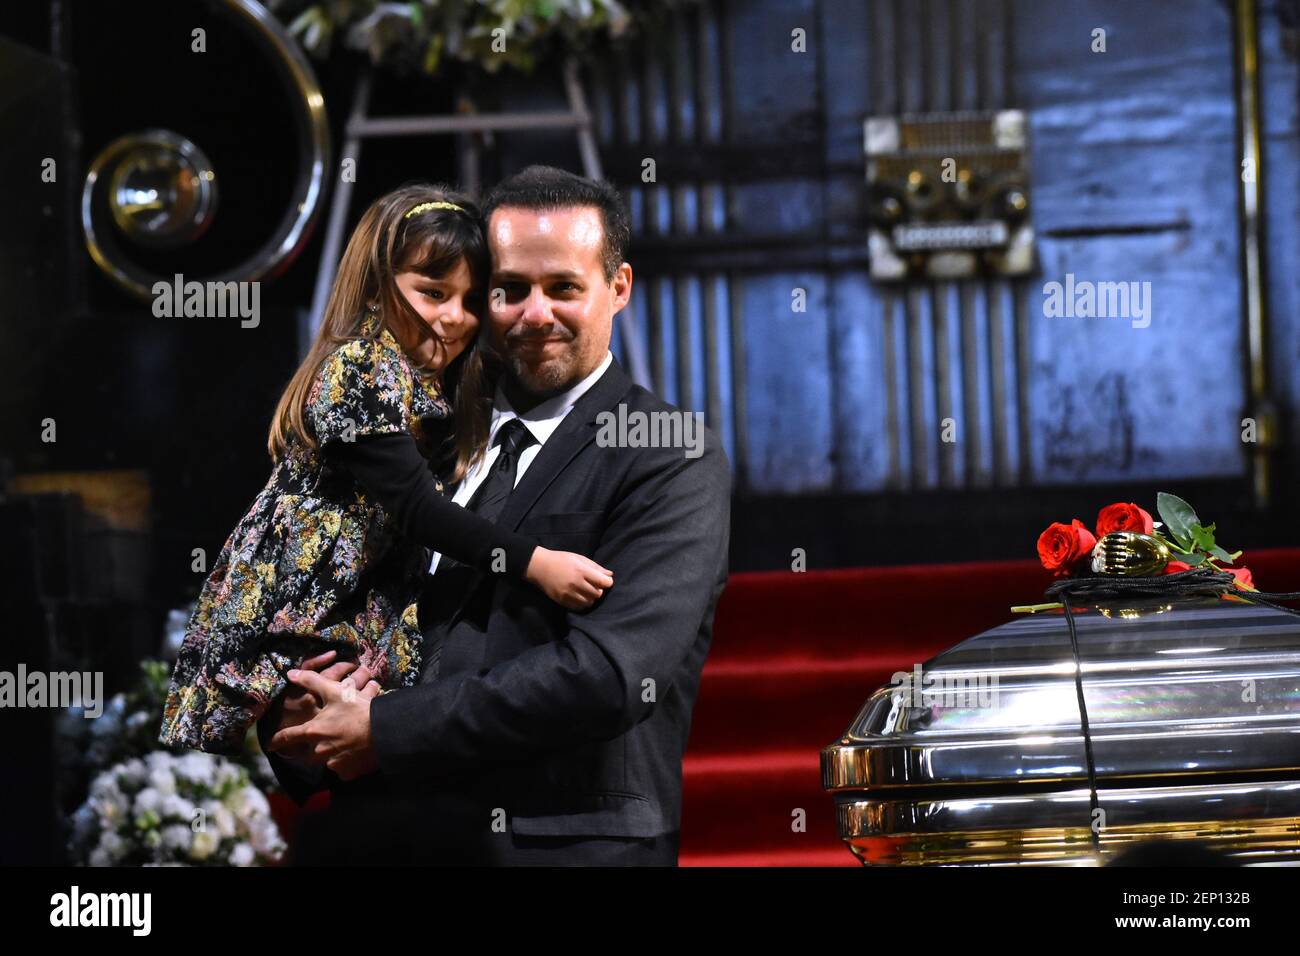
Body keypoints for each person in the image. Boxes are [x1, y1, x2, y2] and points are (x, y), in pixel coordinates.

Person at [266, 166, 732, 866]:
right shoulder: (417, 427)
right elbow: (320, 585)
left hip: (563, 849)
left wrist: (386, 729)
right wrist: (300, 711)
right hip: (381, 839)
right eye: (510, 289)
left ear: (619, 289)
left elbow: (608, 674)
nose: (532, 313)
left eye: (563, 288)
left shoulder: (668, 452)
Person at [159, 183, 613, 756]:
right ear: (377, 287)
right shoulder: (361, 368)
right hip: (299, 608)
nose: (453, 318)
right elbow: (419, 510)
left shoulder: (429, 382)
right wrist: (537, 563)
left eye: (472, 301)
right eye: (432, 292)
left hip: (352, 607)